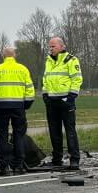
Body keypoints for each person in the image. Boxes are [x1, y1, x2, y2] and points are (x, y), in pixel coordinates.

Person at [0, 43, 35, 175]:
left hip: (1, 107)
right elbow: (30, 90)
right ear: (14, 55)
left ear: (3, 56)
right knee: (18, 135)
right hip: (18, 107)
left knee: (2, 136)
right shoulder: (22, 69)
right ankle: (19, 166)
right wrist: (26, 105)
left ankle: (4, 166)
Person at [41, 34, 83, 170]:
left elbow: (77, 79)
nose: (50, 49)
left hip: (66, 101)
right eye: (49, 46)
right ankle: (57, 158)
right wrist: (45, 95)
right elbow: (46, 79)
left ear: (61, 46)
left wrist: (71, 97)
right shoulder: (48, 61)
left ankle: (74, 159)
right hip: (52, 102)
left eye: (53, 46)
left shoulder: (71, 60)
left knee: (70, 131)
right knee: (54, 132)